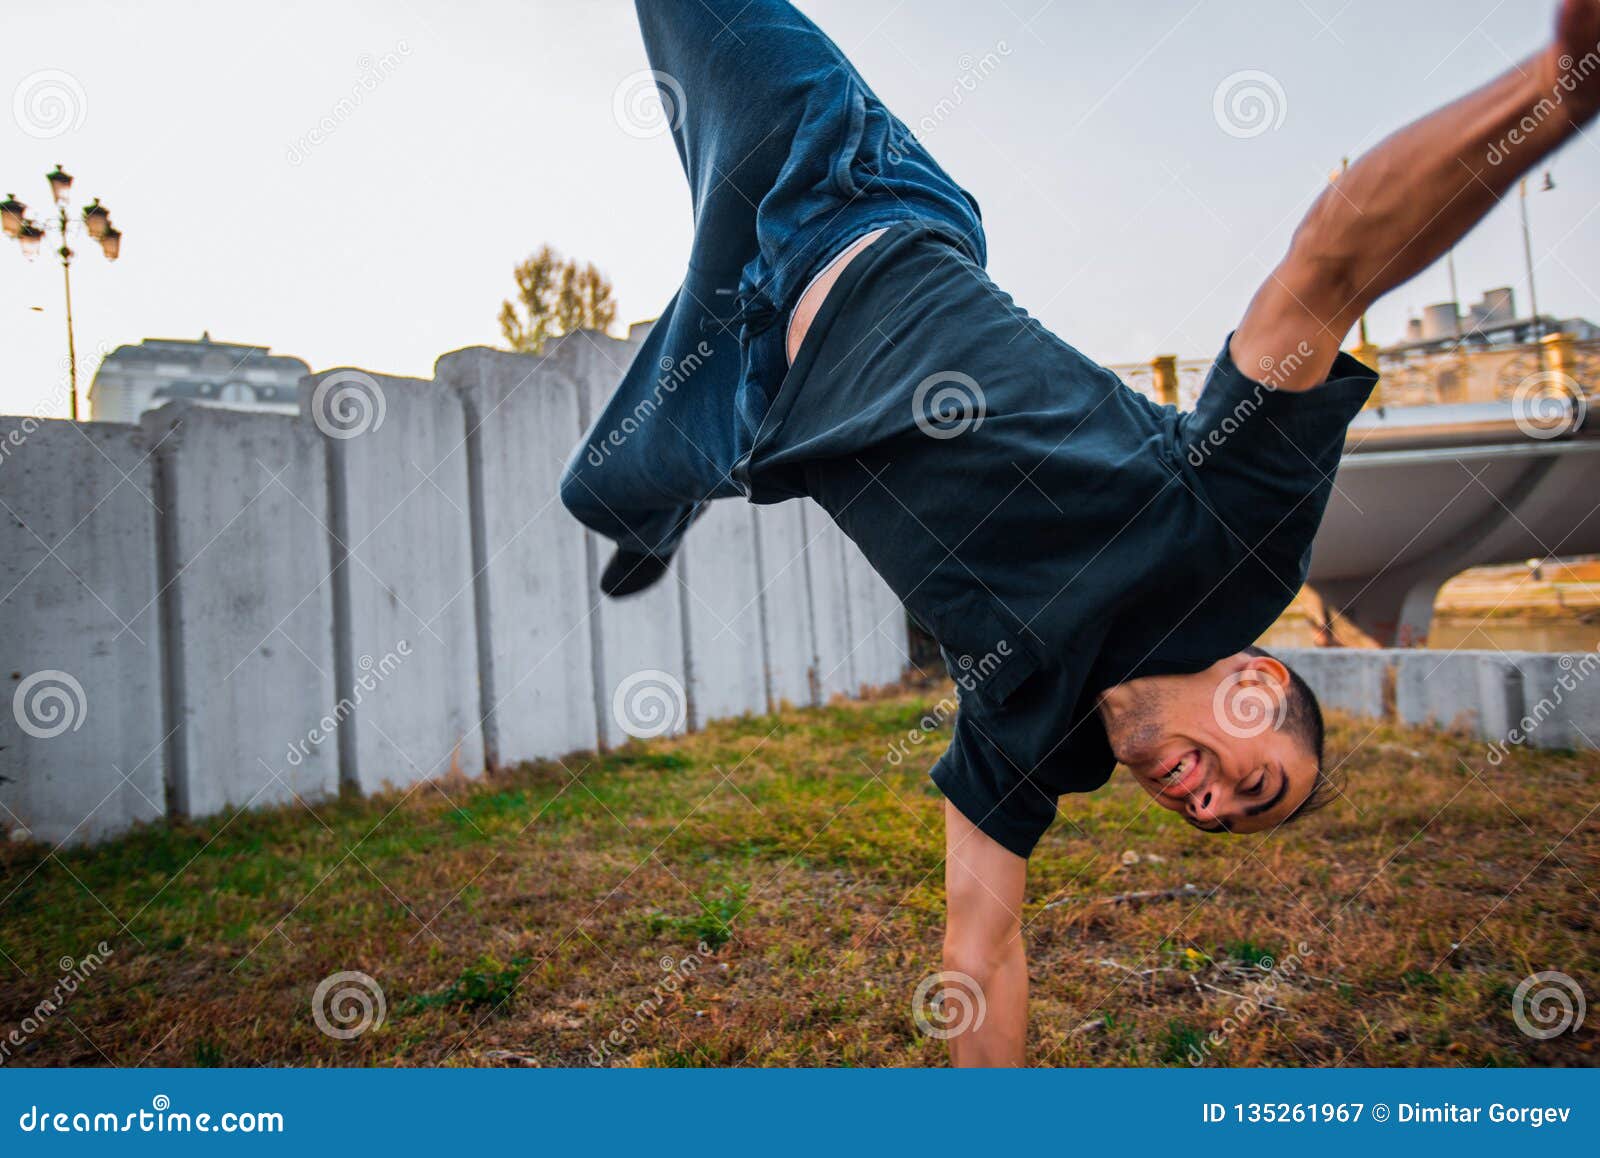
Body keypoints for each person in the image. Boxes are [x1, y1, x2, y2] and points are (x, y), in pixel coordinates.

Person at [562, 0, 1600, 1065]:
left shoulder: (1034, 745)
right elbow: (1331, 263)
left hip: (746, 382)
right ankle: (651, 508)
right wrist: (1554, 93)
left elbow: (985, 946)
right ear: (1257, 688)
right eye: (1251, 782)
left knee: (599, 478)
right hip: (846, 197)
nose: (1206, 802)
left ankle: (646, 497)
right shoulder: (1231, 547)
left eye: (1218, 821)